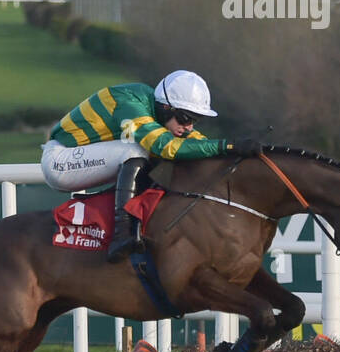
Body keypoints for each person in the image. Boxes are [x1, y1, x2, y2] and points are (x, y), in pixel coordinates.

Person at [40, 70, 263, 263]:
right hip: (61, 160)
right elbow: (164, 146)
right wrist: (227, 146)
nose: (188, 126)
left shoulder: (155, 106)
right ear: (166, 107)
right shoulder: (130, 103)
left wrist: (234, 150)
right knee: (139, 149)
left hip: (84, 157)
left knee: (158, 151)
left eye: (194, 120)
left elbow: (196, 142)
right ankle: (123, 234)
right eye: (185, 118)